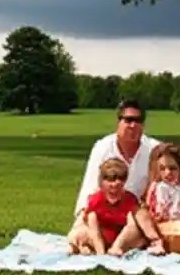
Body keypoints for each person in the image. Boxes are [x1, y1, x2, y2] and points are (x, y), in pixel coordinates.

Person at [68, 100, 160, 253]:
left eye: (138, 121)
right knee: (77, 235)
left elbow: (171, 176)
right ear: (119, 121)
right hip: (103, 211)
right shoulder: (103, 147)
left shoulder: (154, 149)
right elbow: (89, 187)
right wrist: (81, 220)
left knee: (140, 228)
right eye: (128, 120)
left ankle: (115, 247)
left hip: (133, 213)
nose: (133, 125)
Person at [69, 158, 140, 254]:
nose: (113, 188)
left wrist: (117, 245)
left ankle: (114, 249)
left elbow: (131, 226)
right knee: (79, 233)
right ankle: (83, 247)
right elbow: (94, 229)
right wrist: (101, 253)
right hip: (100, 236)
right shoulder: (96, 200)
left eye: (118, 187)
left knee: (137, 232)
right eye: (110, 183)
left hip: (121, 239)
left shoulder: (129, 200)